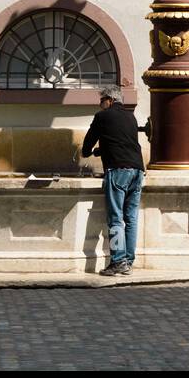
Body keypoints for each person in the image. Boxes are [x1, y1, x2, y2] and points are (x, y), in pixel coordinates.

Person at [82, 87, 145, 276]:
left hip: (118, 171)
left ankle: (117, 261)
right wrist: (101, 151)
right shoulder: (130, 117)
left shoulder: (103, 117)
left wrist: (87, 152)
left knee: (115, 217)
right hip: (137, 171)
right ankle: (128, 261)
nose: (100, 105)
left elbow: (88, 142)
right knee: (131, 218)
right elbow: (121, 142)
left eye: (101, 101)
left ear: (109, 100)